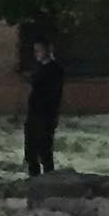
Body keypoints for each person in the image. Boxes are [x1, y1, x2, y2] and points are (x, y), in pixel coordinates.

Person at [25, 37, 64, 176]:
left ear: (47, 50)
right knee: (31, 152)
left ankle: (47, 180)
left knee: (44, 151)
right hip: (34, 115)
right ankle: (34, 179)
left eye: (38, 50)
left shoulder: (54, 70)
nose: (36, 54)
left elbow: (51, 95)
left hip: (45, 116)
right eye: (35, 51)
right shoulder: (39, 68)